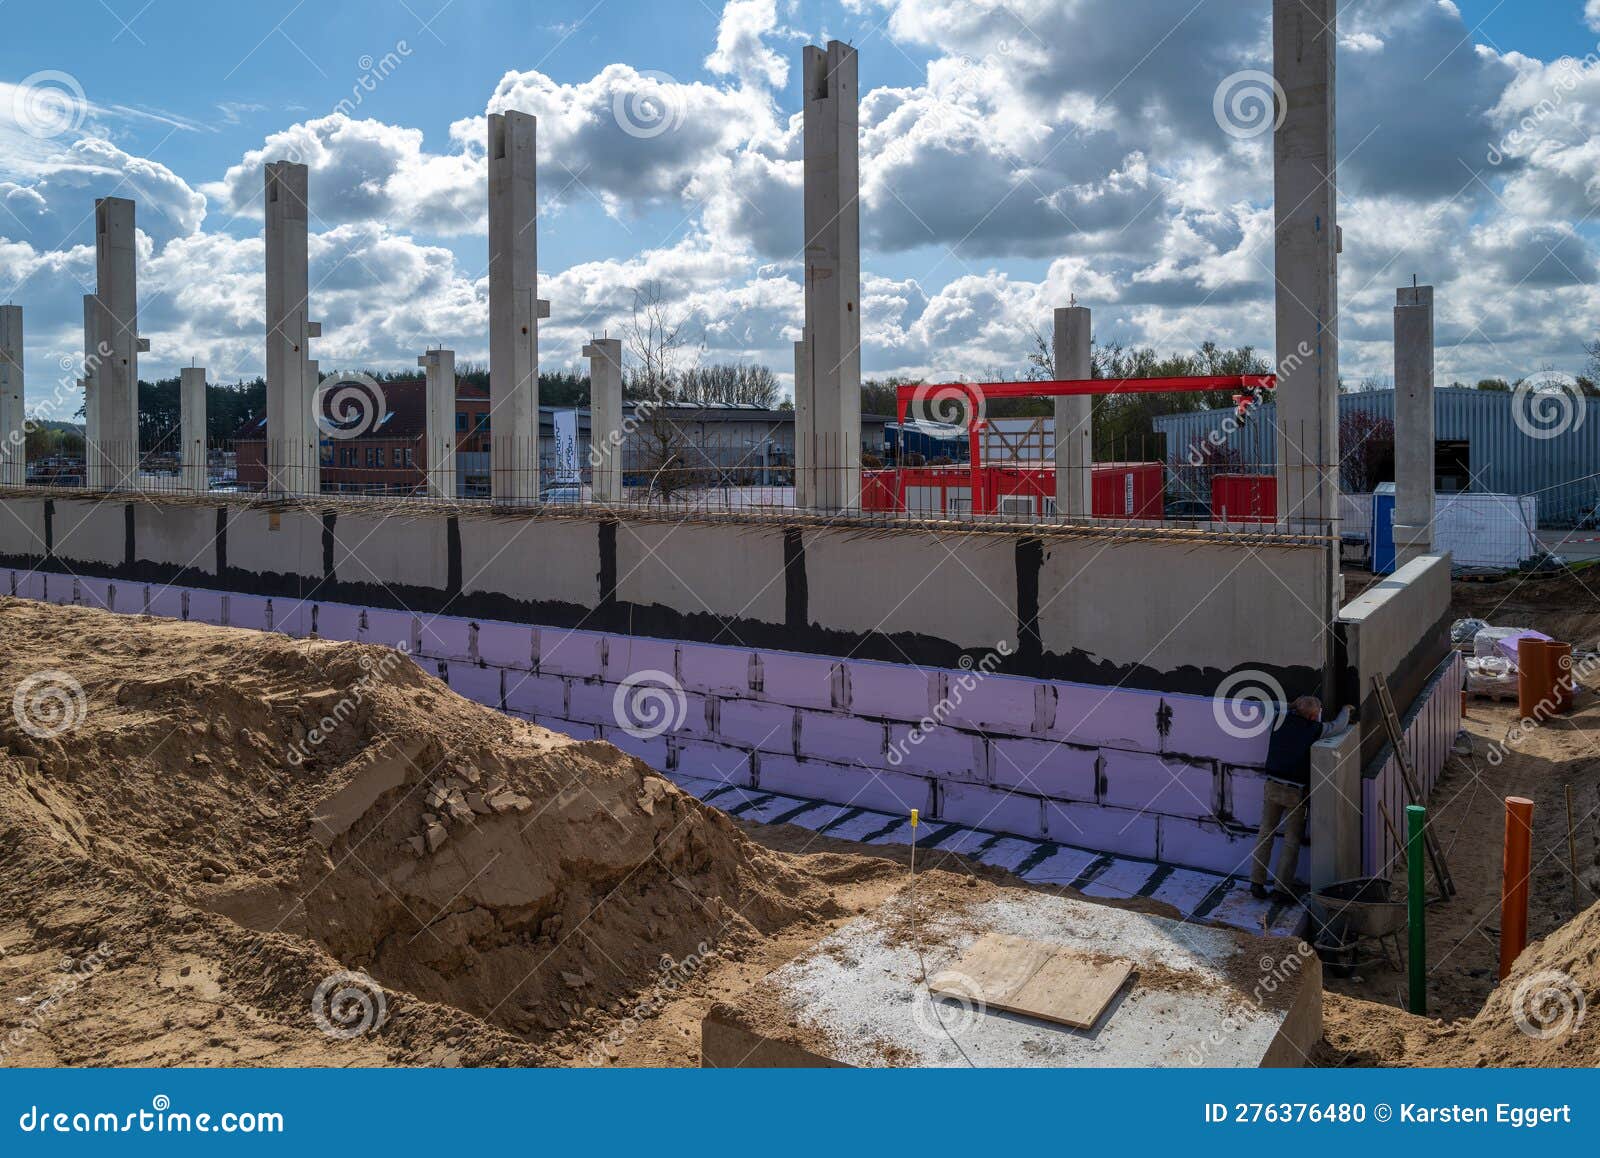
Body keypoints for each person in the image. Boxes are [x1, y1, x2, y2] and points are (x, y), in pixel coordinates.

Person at [1251, 695, 1352, 901]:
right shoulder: (1315, 729)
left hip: (1272, 785)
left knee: (1265, 833)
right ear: (1314, 715)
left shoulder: (1279, 719)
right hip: (1296, 791)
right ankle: (1281, 890)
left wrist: (1291, 706)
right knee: (1291, 841)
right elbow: (1339, 726)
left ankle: (1256, 883)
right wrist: (1347, 709)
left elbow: (1262, 705)